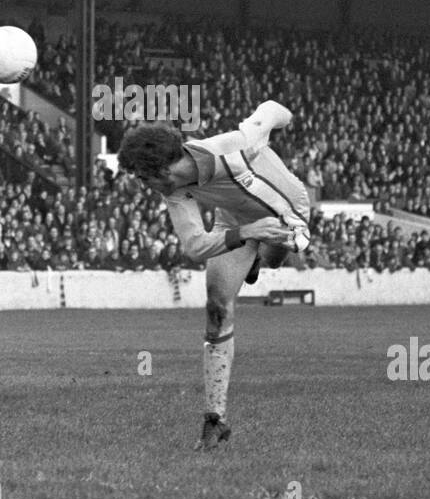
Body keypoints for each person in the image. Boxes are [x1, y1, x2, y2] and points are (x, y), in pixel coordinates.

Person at [117, 101, 308, 450]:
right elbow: (195, 245)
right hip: (239, 221)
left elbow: (271, 108)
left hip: (288, 215)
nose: (142, 184)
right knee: (217, 308)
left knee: (275, 256)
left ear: (163, 169)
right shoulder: (175, 191)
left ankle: (258, 260)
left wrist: (284, 120)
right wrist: (247, 231)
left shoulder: (234, 146)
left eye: (143, 177)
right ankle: (215, 420)